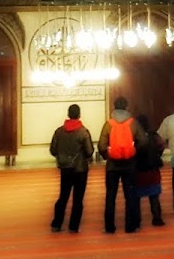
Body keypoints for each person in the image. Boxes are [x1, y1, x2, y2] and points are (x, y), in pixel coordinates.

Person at [98, 96, 148, 233]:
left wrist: (109, 155)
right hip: (130, 164)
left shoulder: (108, 124)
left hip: (112, 165)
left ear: (114, 107)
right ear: (126, 107)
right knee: (130, 195)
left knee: (110, 196)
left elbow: (101, 146)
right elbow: (143, 141)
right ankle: (130, 226)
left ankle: (109, 227)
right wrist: (133, 150)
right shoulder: (133, 123)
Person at [49, 103, 94, 233]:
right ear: (79, 115)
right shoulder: (83, 132)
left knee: (63, 196)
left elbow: (53, 150)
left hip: (65, 169)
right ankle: (73, 226)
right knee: (78, 199)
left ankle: (56, 224)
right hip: (80, 170)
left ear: (68, 114)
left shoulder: (59, 131)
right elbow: (89, 151)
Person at [133, 114, 166, 227]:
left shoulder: (134, 136)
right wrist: (157, 156)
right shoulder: (153, 135)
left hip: (138, 171)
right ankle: (157, 219)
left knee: (136, 197)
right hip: (152, 171)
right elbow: (161, 146)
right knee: (154, 196)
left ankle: (136, 221)